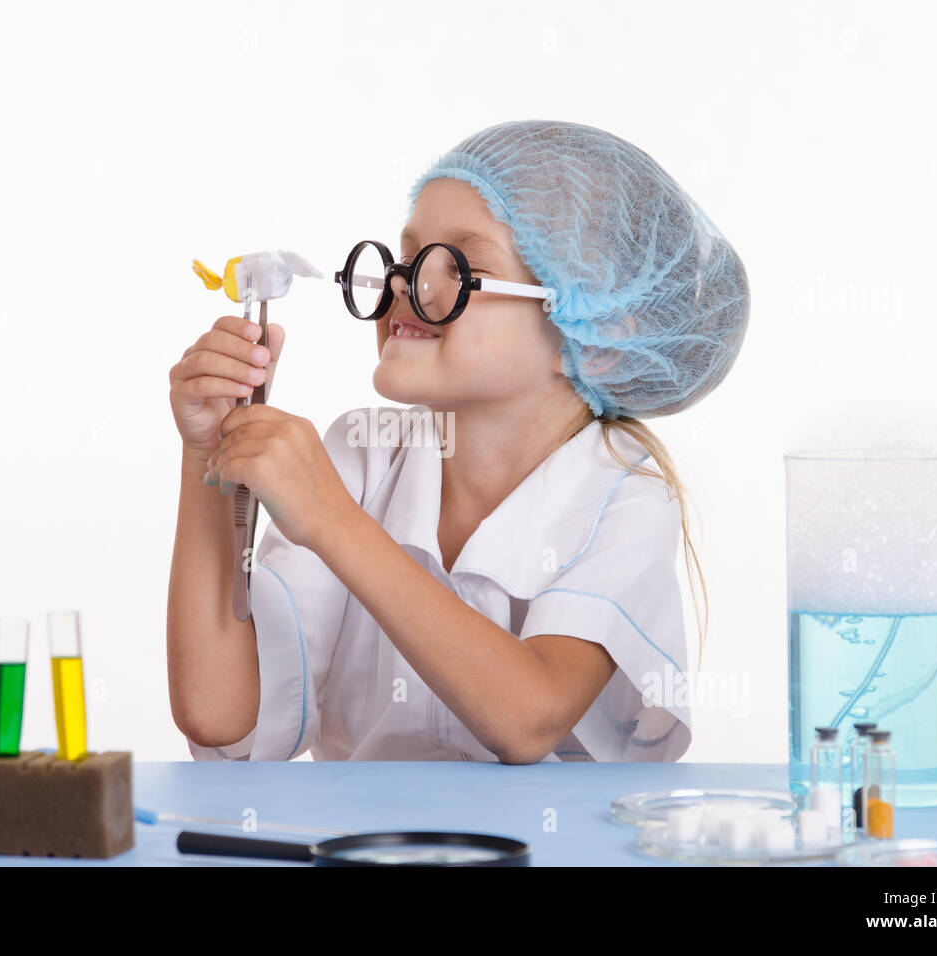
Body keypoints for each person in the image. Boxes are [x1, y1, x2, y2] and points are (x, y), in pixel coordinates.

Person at [166, 120, 749, 762]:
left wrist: (331, 520)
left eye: (462, 267)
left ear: (599, 336)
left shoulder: (625, 499)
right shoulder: (361, 456)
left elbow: (529, 716)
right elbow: (218, 714)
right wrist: (206, 455)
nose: (403, 285)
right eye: (408, 257)